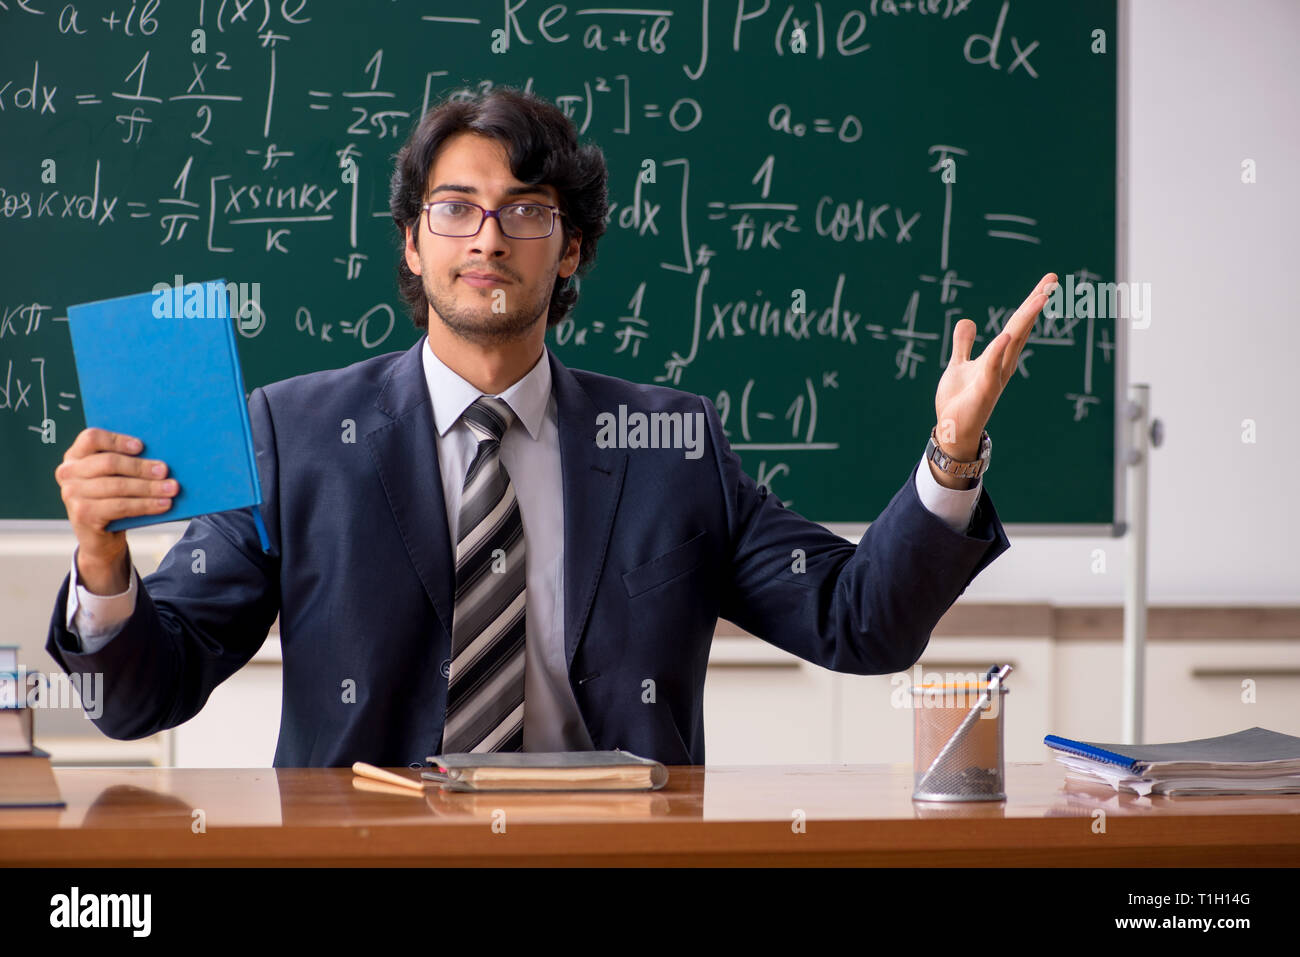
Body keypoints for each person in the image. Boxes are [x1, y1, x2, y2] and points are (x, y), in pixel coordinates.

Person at [47, 85, 1053, 766]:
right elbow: (142, 700)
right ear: (411, 242)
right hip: (364, 866)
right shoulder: (289, 433)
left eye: (527, 211)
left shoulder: (673, 446)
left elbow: (858, 625)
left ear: (570, 252)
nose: (489, 236)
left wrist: (950, 453)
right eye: (455, 208)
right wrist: (102, 560)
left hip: (611, 863)